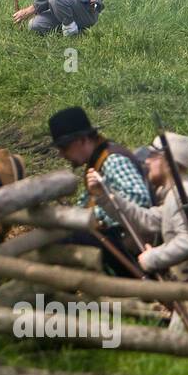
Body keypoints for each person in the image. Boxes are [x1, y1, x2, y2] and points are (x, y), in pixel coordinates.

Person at [86, 130, 188, 332]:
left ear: (168, 162)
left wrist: (153, 258)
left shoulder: (186, 197)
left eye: (153, 156)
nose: (147, 162)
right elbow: (146, 220)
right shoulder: (175, 195)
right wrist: (105, 195)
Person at [49, 106, 152, 276]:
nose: (61, 154)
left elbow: (139, 199)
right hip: (117, 239)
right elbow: (90, 201)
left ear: (81, 140)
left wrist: (93, 218)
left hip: (129, 243)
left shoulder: (113, 160)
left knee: (67, 240)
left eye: (64, 147)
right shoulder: (98, 162)